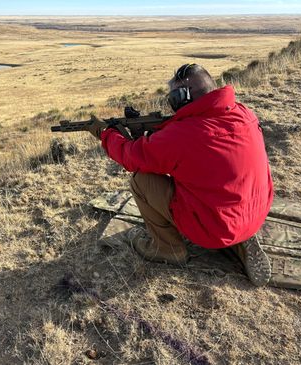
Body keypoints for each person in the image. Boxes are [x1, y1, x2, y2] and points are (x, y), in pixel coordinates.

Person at [88, 63, 274, 287]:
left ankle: (168, 249)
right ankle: (241, 237)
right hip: (255, 213)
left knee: (141, 181)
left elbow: (131, 157)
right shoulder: (243, 113)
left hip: (212, 230)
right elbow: (200, 143)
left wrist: (105, 134)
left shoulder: (183, 135)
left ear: (182, 97)